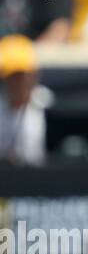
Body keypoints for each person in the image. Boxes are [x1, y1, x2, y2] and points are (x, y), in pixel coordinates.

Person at [0, 34, 46, 165]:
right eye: (11, 76)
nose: (18, 82)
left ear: (35, 74)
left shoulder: (49, 108)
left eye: (22, 75)